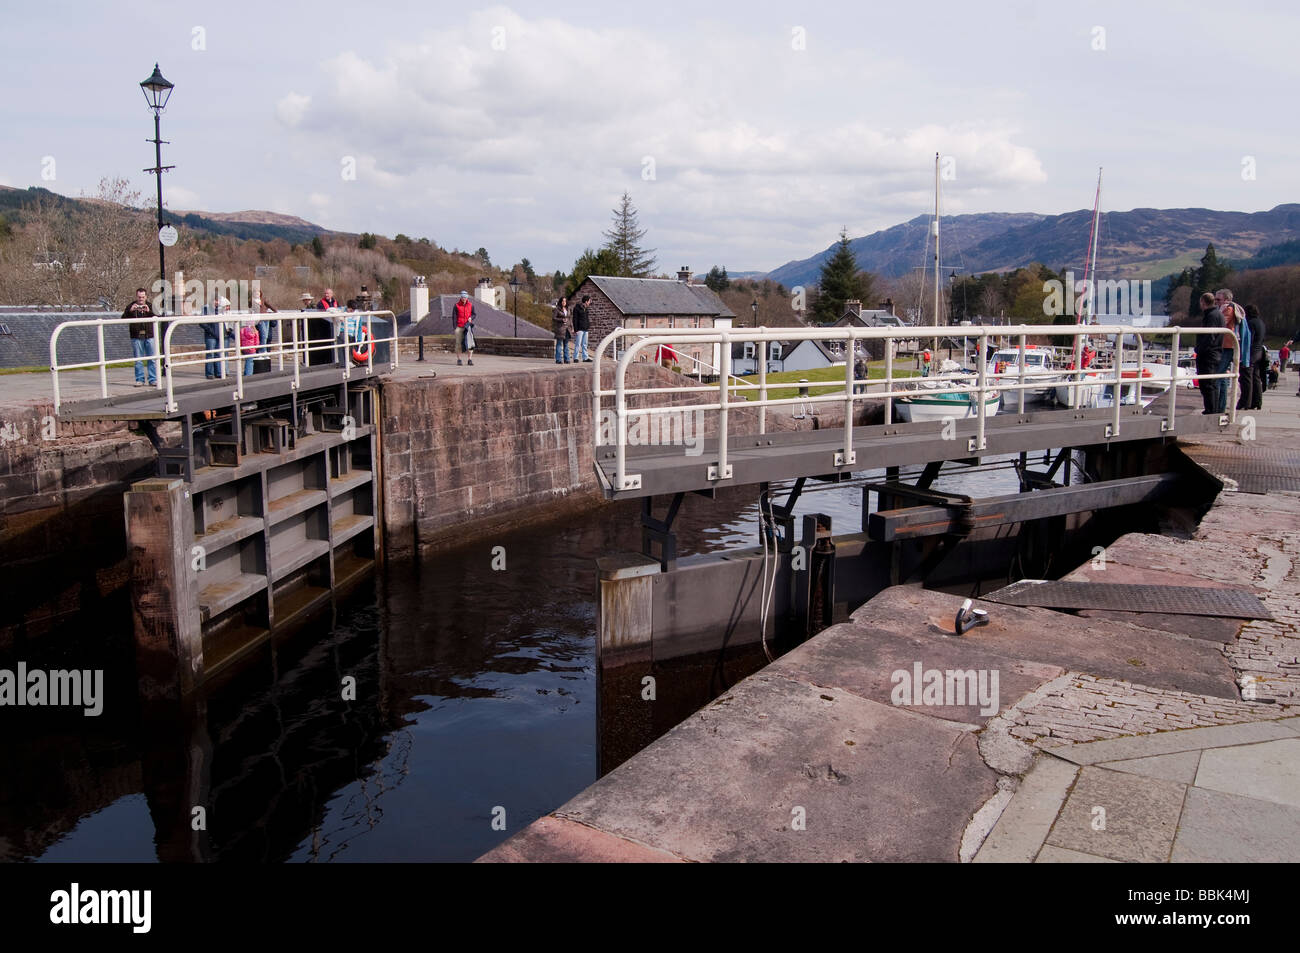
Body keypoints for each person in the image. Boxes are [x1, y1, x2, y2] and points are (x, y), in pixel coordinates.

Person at [1194, 293, 1223, 415]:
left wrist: (1199, 349)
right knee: (1211, 383)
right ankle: (1213, 409)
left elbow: (1208, 337)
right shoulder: (1218, 314)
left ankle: (1211, 410)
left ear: (1203, 302)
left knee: (1207, 384)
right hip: (1215, 353)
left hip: (1208, 355)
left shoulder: (1210, 316)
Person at [123, 287, 157, 387]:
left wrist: (149, 311)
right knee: (138, 359)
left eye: (142, 297)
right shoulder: (130, 306)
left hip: (149, 335)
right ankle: (140, 379)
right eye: (139, 297)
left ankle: (153, 379)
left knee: (152, 358)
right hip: (136, 336)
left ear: (146, 297)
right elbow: (123, 318)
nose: (141, 299)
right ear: (136, 297)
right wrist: (131, 311)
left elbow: (158, 318)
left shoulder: (151, 306)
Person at [1243, 304, 1265, 410]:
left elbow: (1248, 339)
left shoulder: (1250, 323)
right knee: (1256, 378)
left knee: (1247, 378)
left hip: (1251, 353)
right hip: (1259, 352)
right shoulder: (1260, 322)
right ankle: (1258, 401)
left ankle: (1247, 402)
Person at [453, 291, 476, 366]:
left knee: (470, 343)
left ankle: (470, 359)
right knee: (458, 343)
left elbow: (474, 314)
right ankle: (459, 359)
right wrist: (455, 327)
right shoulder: (456, 305)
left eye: (465, 297)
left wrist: (471, 318)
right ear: (461, 297)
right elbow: (454, 317)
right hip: (459, 326)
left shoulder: (471, 305)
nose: (464, 299)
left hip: (467, 326)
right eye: (463, 297)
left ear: (467, 298)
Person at [572, 294, 592, 362]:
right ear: (586, 301)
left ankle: (585, 358)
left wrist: (588, 326)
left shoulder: (586, 309)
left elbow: (586, 318)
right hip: (579, 329)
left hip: (585, 329)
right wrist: (576, 329)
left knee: (585, 344)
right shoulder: (577, 308)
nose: (590, 302)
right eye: (589, 301)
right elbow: (574, 319)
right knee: (578, 343)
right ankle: (575, 358)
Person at [552, 296, 572, 364]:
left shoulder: (568, 309)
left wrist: (572, 327)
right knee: (559, 344)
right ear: (560, 302)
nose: (564, 302)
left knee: (566, 344)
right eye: (563, 301)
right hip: (560, 329)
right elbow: (554, 318)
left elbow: (569, 319)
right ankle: (558, 359)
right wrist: (561, 319)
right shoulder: (557, 309)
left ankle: (567, 359)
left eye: (565, 301)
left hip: (567, 329)